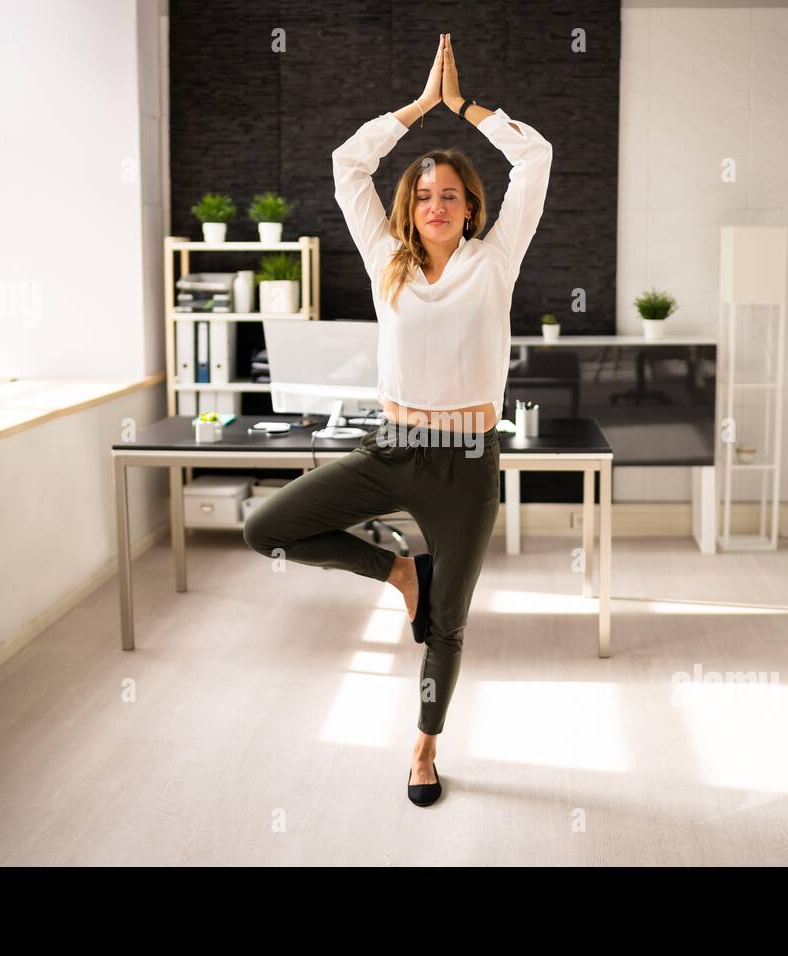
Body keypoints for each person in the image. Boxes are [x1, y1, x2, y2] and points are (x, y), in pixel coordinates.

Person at [244, 33, 552, 806]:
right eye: (422, 193)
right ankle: (397, 570)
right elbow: (350, 164)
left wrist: (467, 109)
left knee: (446, 627)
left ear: (471, 205)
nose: (436, 204)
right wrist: (416, 111)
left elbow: (537, 156)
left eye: (449, 193)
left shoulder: (496, 258)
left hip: (468, 462)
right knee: (268, 528)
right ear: (407, 208)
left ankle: (423, 748)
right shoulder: (388, 258)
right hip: (394, 447)